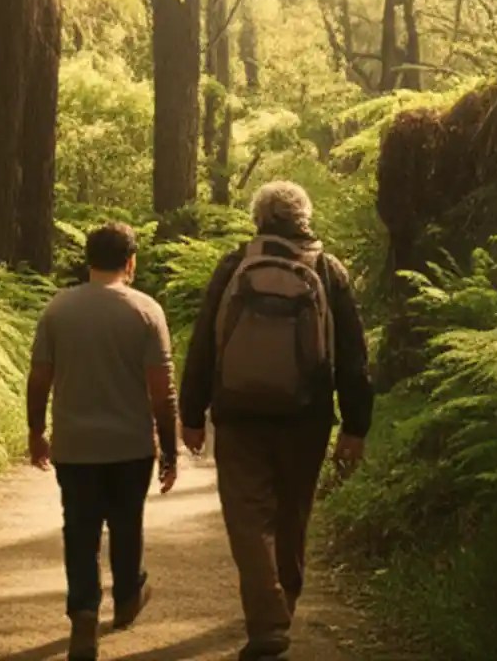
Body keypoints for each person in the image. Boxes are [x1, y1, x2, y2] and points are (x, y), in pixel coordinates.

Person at [179, 180, 375, 661]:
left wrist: (192, 413)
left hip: (238, 414)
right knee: (293, 515)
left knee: (246, 518)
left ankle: (267, 620)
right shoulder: (328, 270)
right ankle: (280, 607)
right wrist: (355, 427)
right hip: (306, 418)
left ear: (258, 219)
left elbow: (205, 341)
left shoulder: (234, 264)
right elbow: (353, 356)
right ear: (305, 219)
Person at [26, 222, 180, 661]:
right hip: (131, 447)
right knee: (127, 524)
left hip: (75, 447)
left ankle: (84, 617)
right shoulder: (146, 311)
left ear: (87, 260)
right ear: (131, 262)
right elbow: (162, 390)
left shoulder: (58, 310)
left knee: (80, 530)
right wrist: (169, 450)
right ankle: (128, 598)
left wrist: (36, 431)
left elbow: (39, 378)